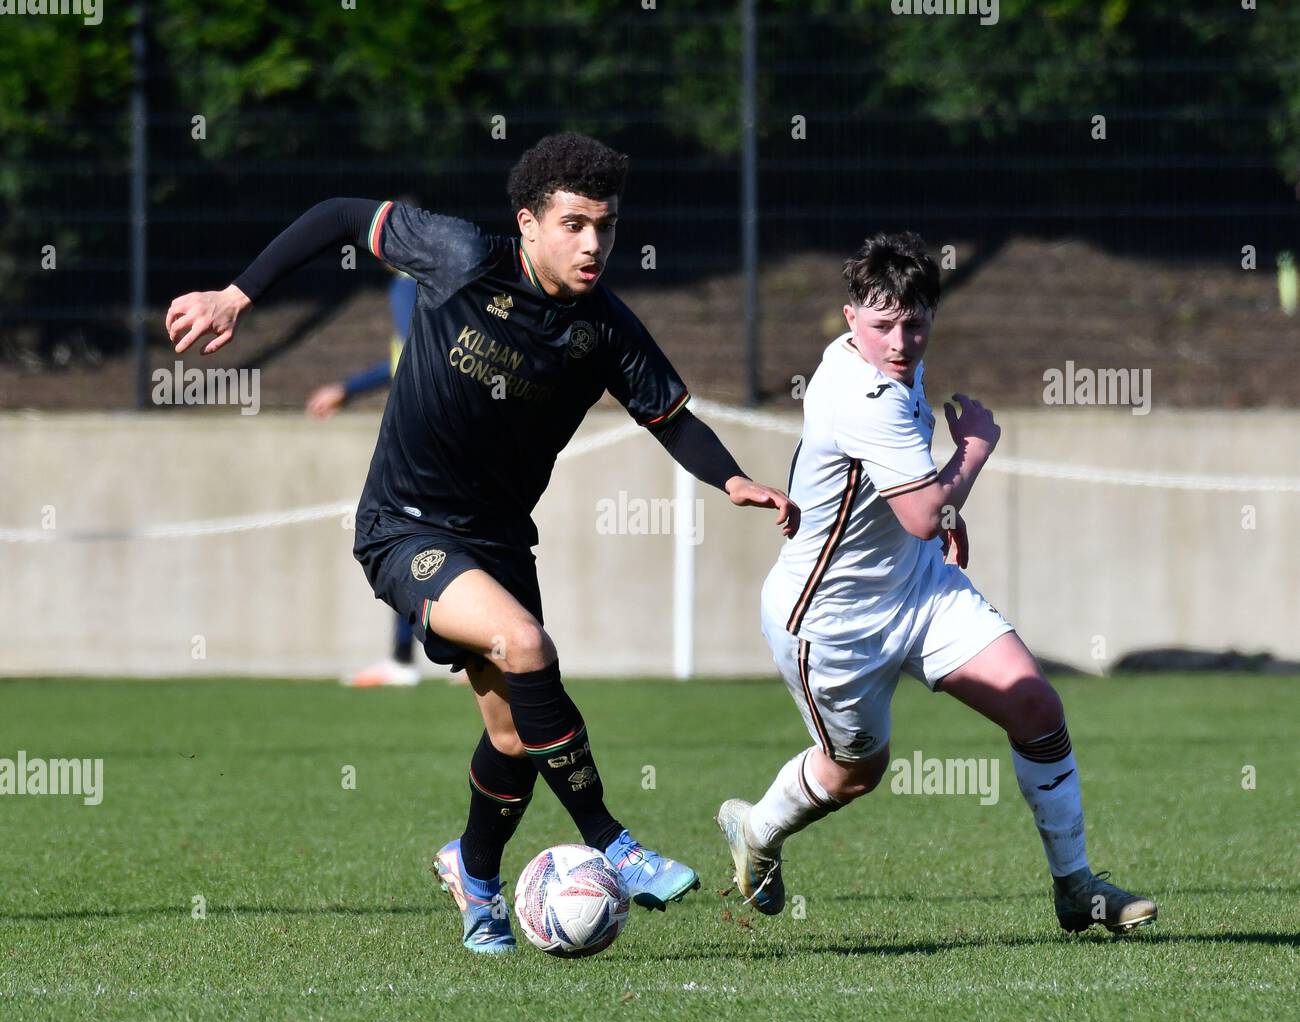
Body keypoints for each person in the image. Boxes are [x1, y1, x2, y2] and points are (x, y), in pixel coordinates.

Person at [165, 132, 799, 953]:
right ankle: (614, 840)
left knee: (513, 735)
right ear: (527, 223)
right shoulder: (459, 254)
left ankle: (475, 873)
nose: (592, 244)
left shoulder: (604, 326)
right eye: (573, 224)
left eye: (605, 227)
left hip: (498, 542)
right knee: (526, 643)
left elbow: (671, 419)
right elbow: (336, 217)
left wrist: (733, 480)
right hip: (405, 526)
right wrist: (235, 295)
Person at [717, 232, 1157, 936]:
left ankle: (1077, 888)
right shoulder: (860, 392)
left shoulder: (897, 367)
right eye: (883, 323)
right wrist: (974, 450)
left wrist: (943, 510)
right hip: (832, 621)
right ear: (849, 315)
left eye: (915, 322)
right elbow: (921, 510)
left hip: (918, 588)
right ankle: (758, 832)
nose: (900, 340)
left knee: (1037, 707)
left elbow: (913, 503)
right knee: (854, 774)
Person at [305, 266, 425, 688]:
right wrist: (348, 388)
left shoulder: (408, 283)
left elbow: (413, 355)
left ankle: (404, 658)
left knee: (401, 537)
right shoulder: (449, 282)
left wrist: (347, 389)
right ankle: (489, 651)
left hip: (424, 435)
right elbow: (405, 358)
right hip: (454, 428)